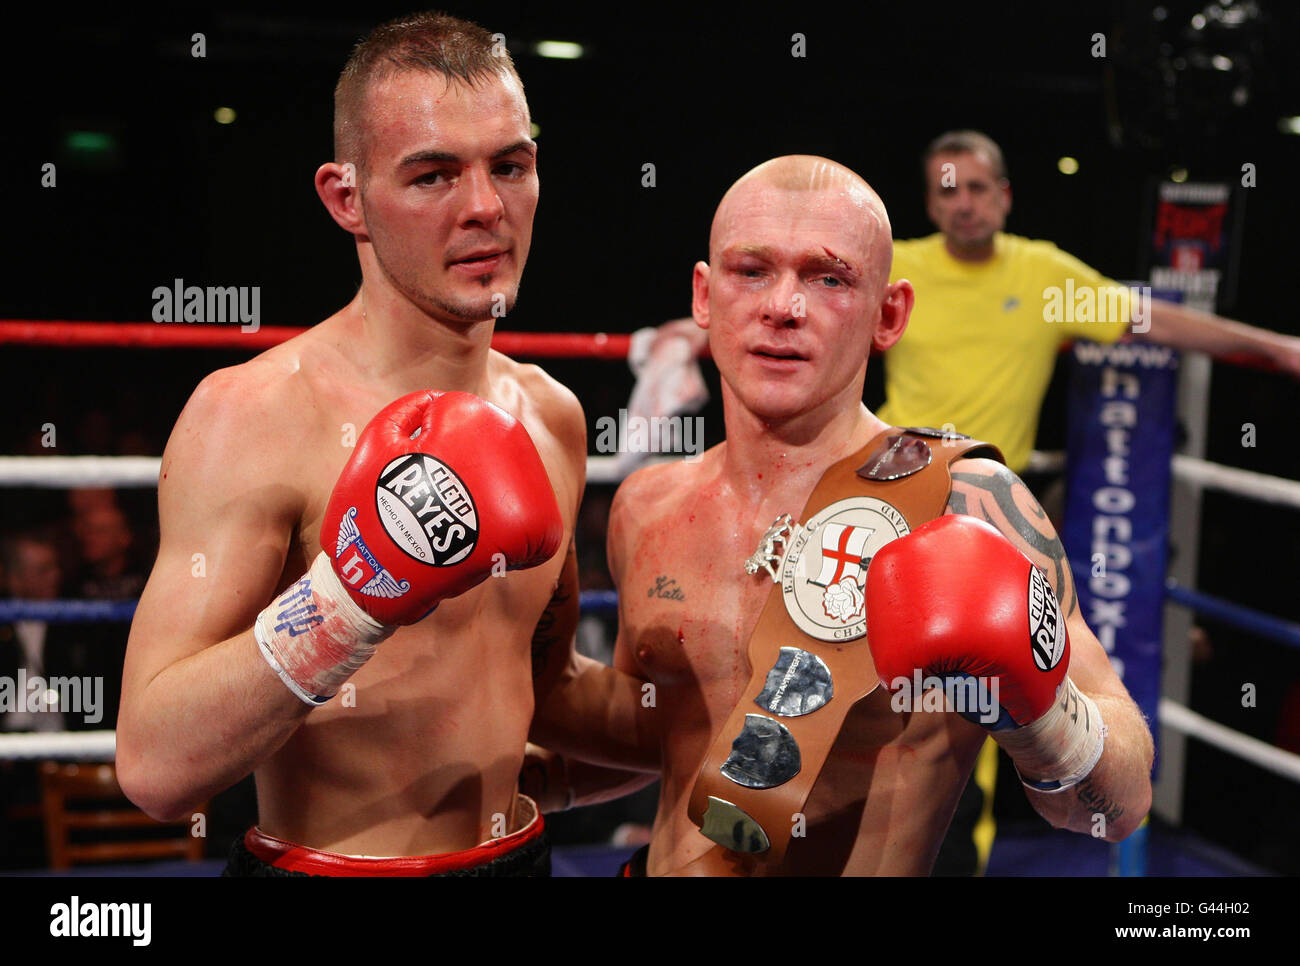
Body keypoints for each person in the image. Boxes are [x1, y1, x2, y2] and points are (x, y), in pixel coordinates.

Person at [115, 11, 653, 877]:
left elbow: (544, 692)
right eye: (433, 175)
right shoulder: (252, 414)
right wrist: (347, 602)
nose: (485, 207)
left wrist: (734, 701)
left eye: (509, 166)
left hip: (520, 861)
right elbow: (153, 766)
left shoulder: (550, 415)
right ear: (346, 198)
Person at [536, 155, 1154, 876]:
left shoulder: (968, 501)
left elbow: (1121, 802)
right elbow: (663, 728)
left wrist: (1043, 720)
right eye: (752, 271)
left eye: (828, 278)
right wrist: (509, 693)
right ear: (705, 296)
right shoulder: (647, 506)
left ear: (889, 314)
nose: (783, 307)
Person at [880, 129, 1300, 475]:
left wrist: (1278, 349)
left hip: (991, 489)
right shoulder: (893, 264)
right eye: (949, 191)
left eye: (977, 188)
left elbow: (1155, 320)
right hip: (893, 469)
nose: (965, 204)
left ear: (1003, 196)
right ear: (932, 204)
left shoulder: (1043, 276)